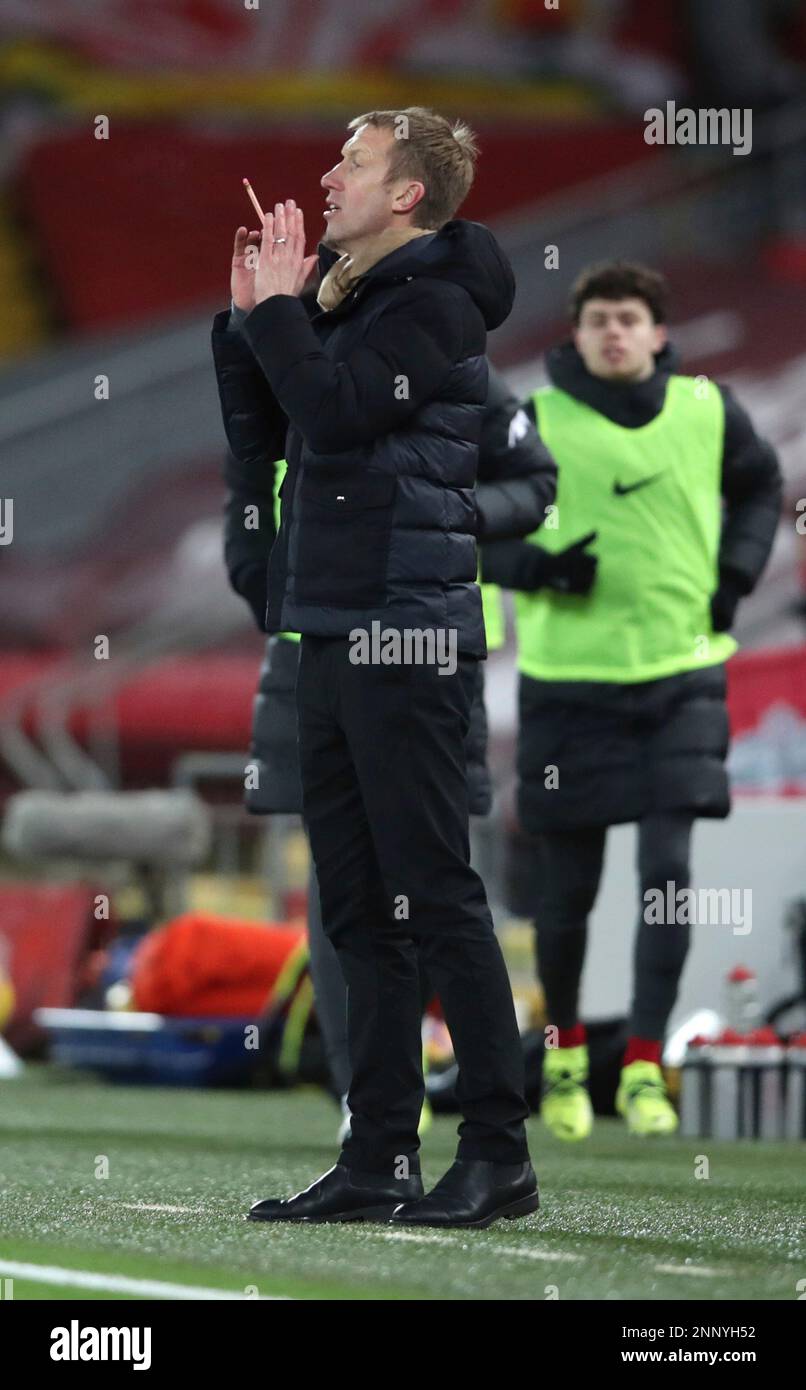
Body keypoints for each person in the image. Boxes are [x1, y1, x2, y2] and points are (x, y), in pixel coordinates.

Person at [211, 106, 540, 1227]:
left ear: (407, 193)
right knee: (358, 906)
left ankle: (496, 1150)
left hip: (405, 631)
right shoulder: (347, 303)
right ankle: (378, 1154)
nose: (326, 173)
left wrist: (285, 319)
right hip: (333, 625)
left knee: (437, 893)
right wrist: (253, 314)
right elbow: (267, 431)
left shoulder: (438, 302)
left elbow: (342, 414)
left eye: (351, 160)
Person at [217, 342, 557, 1135]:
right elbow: (246, 495)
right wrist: (271, 585)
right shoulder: (282, 360)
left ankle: (483, 1118)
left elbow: (534, 488)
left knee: (439, 878)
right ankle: (368, 1101)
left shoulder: (445, 349)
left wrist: (446, 517)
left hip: (427, 654)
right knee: (342, 889)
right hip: (312, 657)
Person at [482, 260, 782, 1140]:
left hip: (681, 677)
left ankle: (646, 1067)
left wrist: (735, 576)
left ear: (658, 333)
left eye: (629, 319)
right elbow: (462, 526)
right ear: (576, 334)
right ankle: (568, 1059)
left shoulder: (708, 411)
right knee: (569, 890)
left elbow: (760, 490)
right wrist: (537, 566)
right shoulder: (533, 421)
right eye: (599, 320)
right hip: (569, 687)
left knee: (669, 878)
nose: (614, 333)